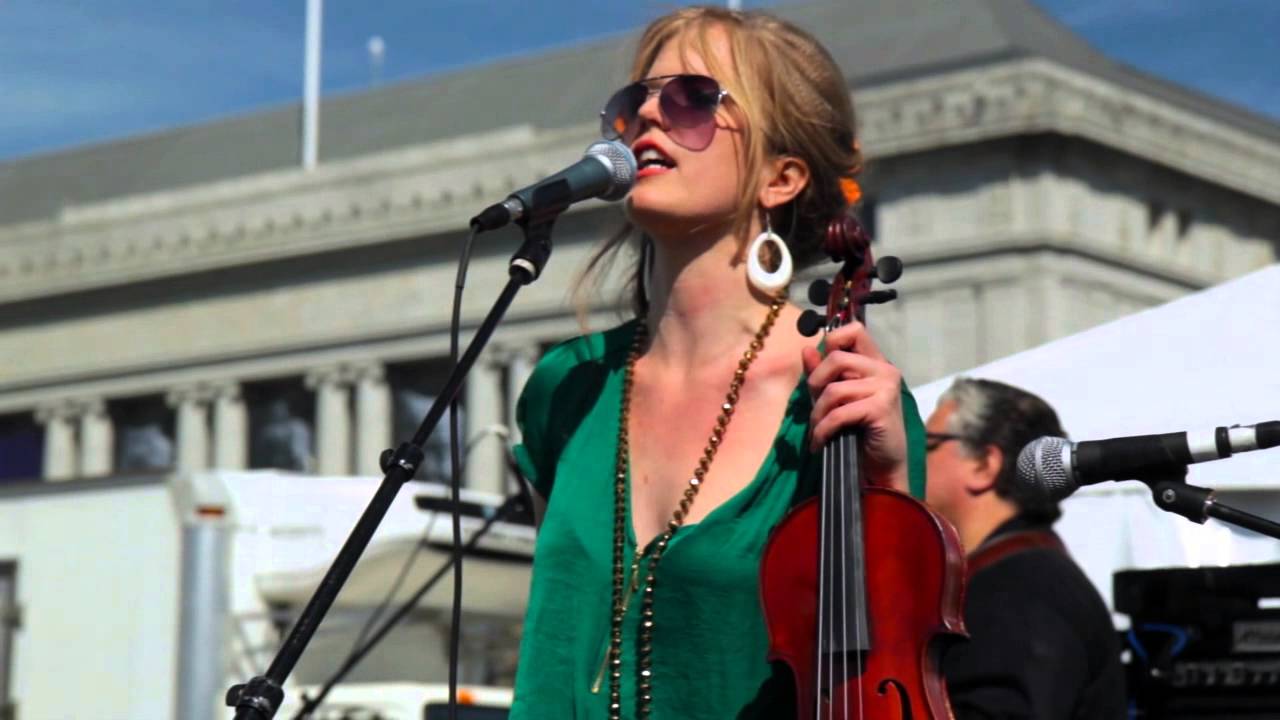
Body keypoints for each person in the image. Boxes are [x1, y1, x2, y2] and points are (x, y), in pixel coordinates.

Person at [507, 6, 930, 719]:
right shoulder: (567, 386)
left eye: (691, 99)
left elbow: (892, 659)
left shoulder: (838, 391)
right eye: (632, 100)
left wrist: (885, 478)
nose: (647, 115)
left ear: (781, 176)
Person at [924, 378, 1126, 720]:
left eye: (928, 445)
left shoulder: (1019, 589)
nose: (913, 459)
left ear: (983, 464)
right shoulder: (1020, 576)